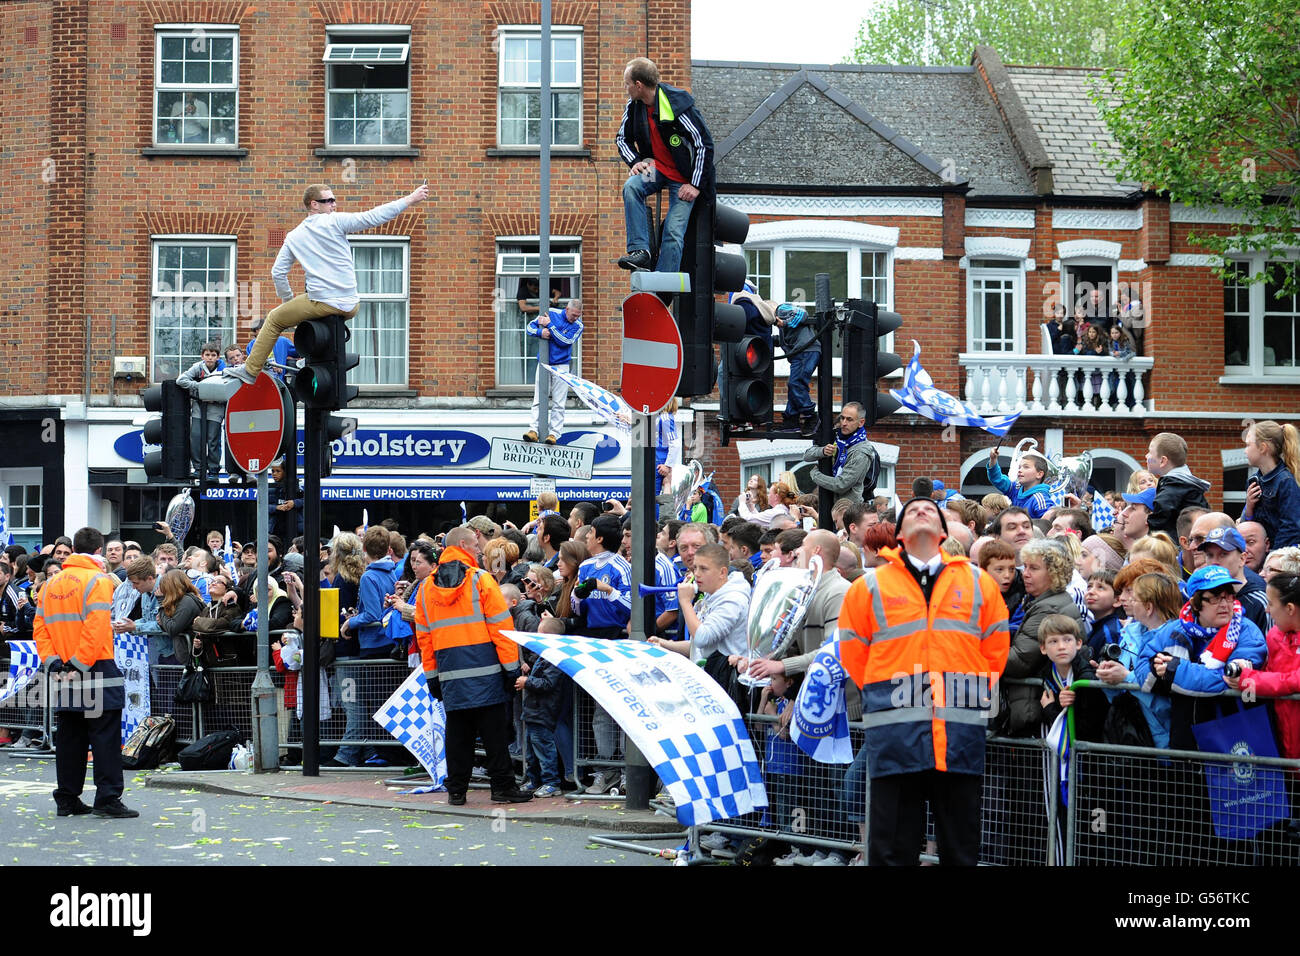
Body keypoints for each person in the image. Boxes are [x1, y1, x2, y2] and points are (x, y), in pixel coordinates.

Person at [830, 496, 1008, 866]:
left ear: (943, 531)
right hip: (895, 736)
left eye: (930, 509)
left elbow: (995, 652)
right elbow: (853, 653)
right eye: (912, 510)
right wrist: (885, 692)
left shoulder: (979, 583)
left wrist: (968, 695)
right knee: (892, 849)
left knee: (960, 849)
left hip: (958, 735)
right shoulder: (870, 587)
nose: (921, 512)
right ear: (899, 533)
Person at [227, 182, 429, 385]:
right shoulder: (335, 222)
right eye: (329, 200)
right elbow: (373, 216)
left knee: (274, 319)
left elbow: (278, 273)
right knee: (315, 317)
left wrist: (287, 301)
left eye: (334, 200)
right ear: (314, 204)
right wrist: (410, 199)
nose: (334, 204)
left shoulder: (294, 236)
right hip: (351, 305)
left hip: (323, 302)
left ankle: (250, 370)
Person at [413, 527, 531, 805]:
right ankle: (502, 788)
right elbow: (501, 628)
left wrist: (432, 677)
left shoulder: (427, 587)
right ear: (464, 545)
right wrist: (511, 668)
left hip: (450, 674)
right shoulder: (481, 580)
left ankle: (456, 790)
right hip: (487, 671)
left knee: (458, 735)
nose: (480, 551)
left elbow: (424, 637)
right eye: (477, 546)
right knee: (495, 735)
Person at [33, 526, 137, 818]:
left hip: (61, 667)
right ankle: (107, 798)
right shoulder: (98, 580)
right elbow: (95, 627)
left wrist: (55, 662)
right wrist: (78, 664)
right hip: (95, 665)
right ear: (99, 550)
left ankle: (67, 798)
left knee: (70, 737)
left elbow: (40, 627)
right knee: (104, 736)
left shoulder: (51, 583)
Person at [615, 57, 713, 274]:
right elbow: (622, 139)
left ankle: (662, 286)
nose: (626, 88)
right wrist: (636, 161)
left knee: (673, 232)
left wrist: (695, 185)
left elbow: (703, 145)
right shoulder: (634, 106)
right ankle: (640, 251)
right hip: (655, 169)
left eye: (627, 83)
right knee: (632, 186)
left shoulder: (677, 104)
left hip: (684, 178)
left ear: (638, 85)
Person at [1004, 538, 1082, 736]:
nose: (1025, 574)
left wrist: (977, 652)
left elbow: (1019, 661)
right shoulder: (1040, 601)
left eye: (1034, 568)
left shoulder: (1049, 607)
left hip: (1037, 711)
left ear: (1054, 573)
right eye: (1026, 566)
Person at [1232, 573, 1300, 760]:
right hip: (1280, 736)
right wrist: (1243, 677)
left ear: (1290, 608)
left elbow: (1295, 680)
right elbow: (1269, 677)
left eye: (1271, 604)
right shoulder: (1274, 636)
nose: (1267, 611)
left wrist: (1248, 679)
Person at [522, 298, 583, 445]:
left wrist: (550, 326)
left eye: (578, 315)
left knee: (559, 402)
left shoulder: (578, 326)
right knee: (538, 398)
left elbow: (565, 342)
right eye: (574, 315)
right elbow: (529, 328)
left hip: (562, 366)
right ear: (567, 310)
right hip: (543, 362)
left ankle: (554, 434)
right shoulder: (551, 312)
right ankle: (533, 430)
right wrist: (540, 332)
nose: (575, 318)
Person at [802, 402, 878, 505]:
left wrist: (815, 475)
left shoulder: (861, 451)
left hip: (847, 509)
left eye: (849, 419)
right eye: (842, 418)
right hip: (827, 504)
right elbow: (806, 456)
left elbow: (841, 485)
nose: (844, 423)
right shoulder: (835, 436)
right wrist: (822, 451)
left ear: (861, 422)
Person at [1241, 420, 1300, 549]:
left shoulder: (1285, 481)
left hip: (1278, 557)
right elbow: (1249, 525)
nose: (1245, 451)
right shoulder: (1253, 481)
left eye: (1248, 445)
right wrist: (1249, 508)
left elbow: (1291, 527)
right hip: (1258, 554)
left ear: (1262, 448)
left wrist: (1272, 557)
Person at [1145, 432, 1210, 538]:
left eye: (1150, 452)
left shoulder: (1174, 485)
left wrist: (1146, 530)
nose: (1146, 456)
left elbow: (1160, 515)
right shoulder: (1182, 484)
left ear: (1162, 461)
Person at [176, 341, 226, 480]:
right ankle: (198, 468)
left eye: (213, 355)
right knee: (196, 438)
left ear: (218, 357)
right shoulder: (198, 367)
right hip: (199, 409)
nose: (210, 357)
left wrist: (214, 395)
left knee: (213, 440)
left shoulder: (224, 370)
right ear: (202, 356)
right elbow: (181, 380)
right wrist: (201, 387)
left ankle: (214, 470)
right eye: (207, 354)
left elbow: (228, 389)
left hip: (216, 410)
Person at [986, 445, 1052, 519]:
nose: (1020, 470)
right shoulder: (1015, 489)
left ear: (1039, 474)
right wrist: (993, 459)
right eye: (1019, 467)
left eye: (1026, 467)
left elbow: (1048, 526)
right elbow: (997, 479)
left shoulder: (1041, 500)